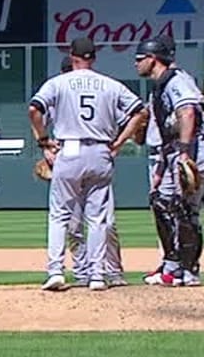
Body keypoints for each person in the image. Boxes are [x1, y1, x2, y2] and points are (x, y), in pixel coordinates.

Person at [29, 37, 148, 291]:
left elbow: (34, 110)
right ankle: (97, 275)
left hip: (69, 149)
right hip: (101, 151)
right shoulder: (110, 84)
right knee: (98, 218)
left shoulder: (58, 83)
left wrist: (43, 141)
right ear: (93, 58)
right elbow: (140, 111)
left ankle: (56, 272)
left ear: (72, 56)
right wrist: (119, 141)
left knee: (60, 215)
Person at [134, 36, 204, 286]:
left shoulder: (176, 80)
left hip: (193, 149)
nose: (136, 64)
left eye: (140, 59)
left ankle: (189, 271)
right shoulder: (159, 85)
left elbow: (188, 112)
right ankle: (171, 265)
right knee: (161, 202)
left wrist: (183, 153)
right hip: (172, 152)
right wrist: (161, 166)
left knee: (185, 209)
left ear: (153, 59)